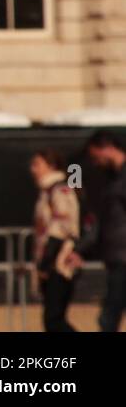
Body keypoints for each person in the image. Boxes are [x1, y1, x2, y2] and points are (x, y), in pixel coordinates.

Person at [69, 131, 126, 332]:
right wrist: (81, 250)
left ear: (108, 148)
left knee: (108, 319)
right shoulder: (114, 180)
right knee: (108, 317)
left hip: (122, 260)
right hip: (118, 259)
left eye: (96, 157)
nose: (96, 163)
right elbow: (105, 223)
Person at [29, 148, 79, 333]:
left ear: (51, 166)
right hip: (51, 263)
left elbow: (61, 229)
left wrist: (46, 261)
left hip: (59, 263)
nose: (33, 169)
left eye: (37, 165)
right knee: (52, 319)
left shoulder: (60, 190)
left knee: (54, 320)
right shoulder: (47, 192)